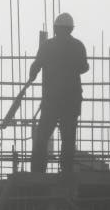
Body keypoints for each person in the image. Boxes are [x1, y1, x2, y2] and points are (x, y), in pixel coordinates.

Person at [28, 13, 89, 173]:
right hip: (71, 100)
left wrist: (32, 76)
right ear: (70, 29)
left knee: (42, 138)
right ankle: (66, 171)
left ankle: (38, 171)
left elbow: (36, 66)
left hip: (51, 101)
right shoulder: (78, 46)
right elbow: (84, 67)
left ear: (55, 28)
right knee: (68, 139)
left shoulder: (47, 46)